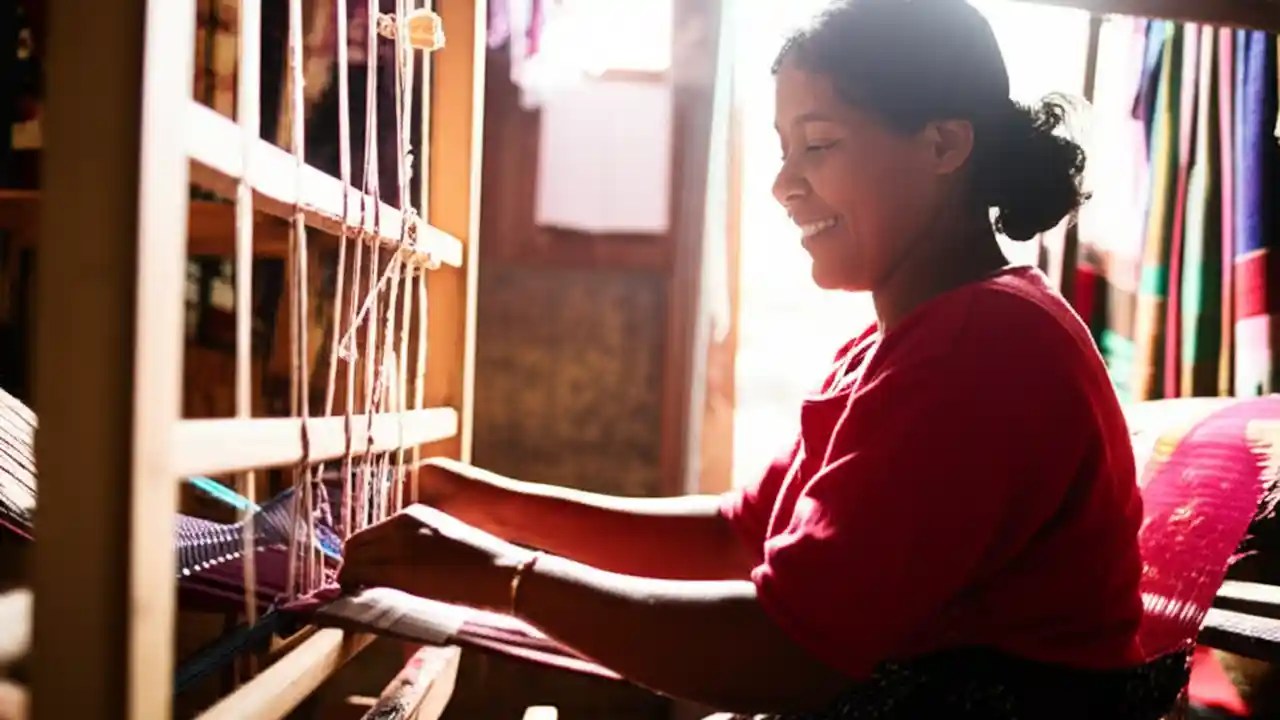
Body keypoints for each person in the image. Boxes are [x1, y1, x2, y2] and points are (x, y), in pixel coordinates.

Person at [338, 1, 1186, 716]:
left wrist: (505, 576)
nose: (784, 184)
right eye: (783, 147)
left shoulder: (987, 347)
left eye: (818, 145)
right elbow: (739, 537)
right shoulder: (906, 337)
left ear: (942, 146)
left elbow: (788, 649)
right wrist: (479, 502)